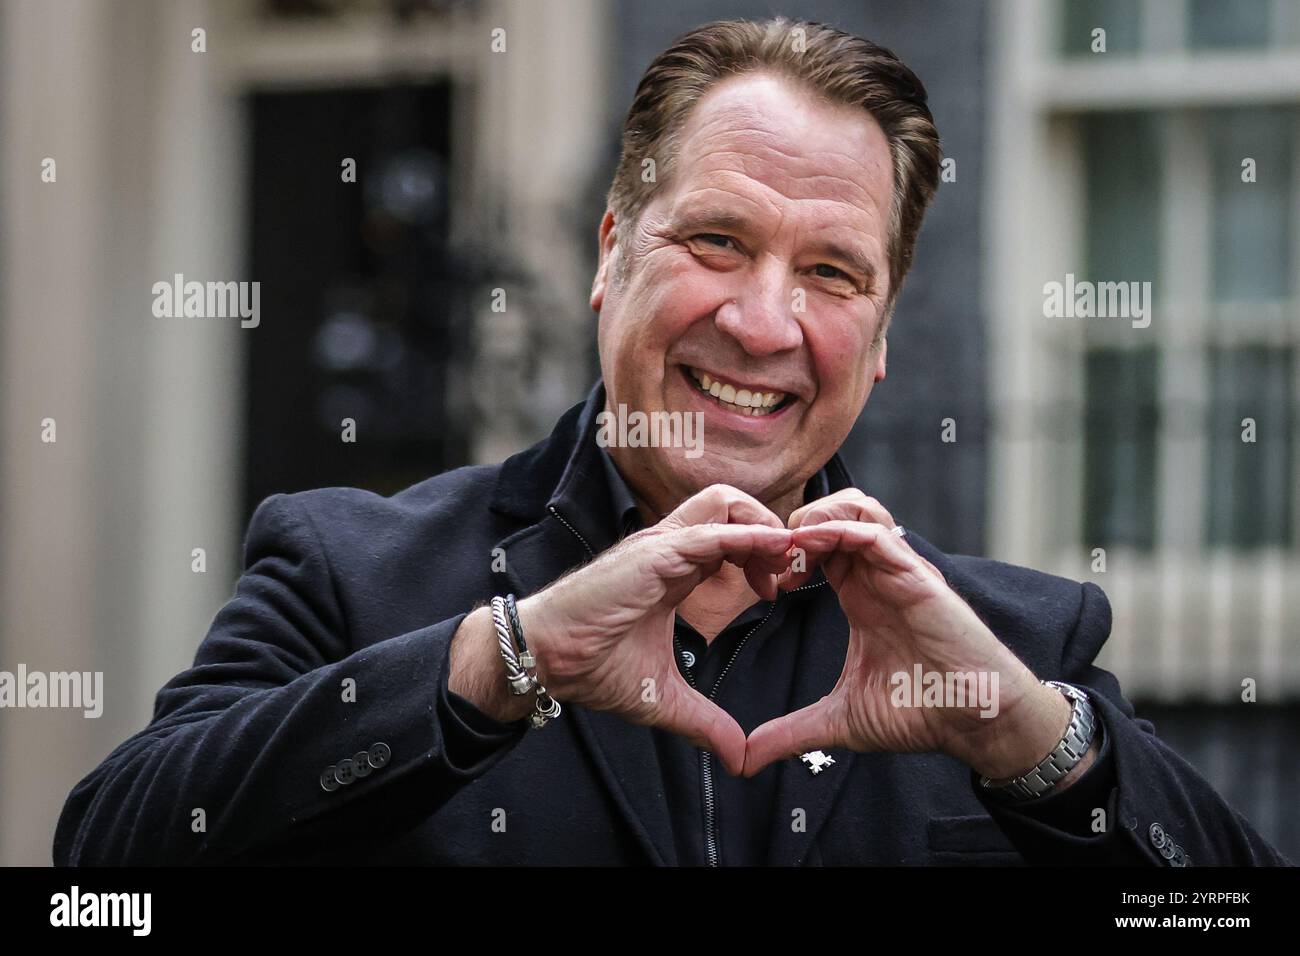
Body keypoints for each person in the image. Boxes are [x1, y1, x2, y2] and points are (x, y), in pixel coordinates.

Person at [54, 17, 1287, 866]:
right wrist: (505, 663)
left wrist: (1032, 743)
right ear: (608, 254)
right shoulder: (351, 572)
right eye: (714, 242)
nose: (762, 322)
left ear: (885, 332)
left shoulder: (1020, 649)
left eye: (829, 270)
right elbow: (103, 871)